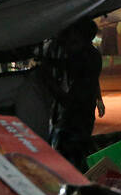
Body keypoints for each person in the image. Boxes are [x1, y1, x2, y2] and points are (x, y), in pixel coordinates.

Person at [40, 18, 104, 172]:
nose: (67, 45)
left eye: (72, 40)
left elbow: (71, 102)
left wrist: (48, 78)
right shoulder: (89, 55)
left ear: (80, 39)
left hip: (75, 124)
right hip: (80, 120)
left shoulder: (85, 59)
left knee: (70, 164)